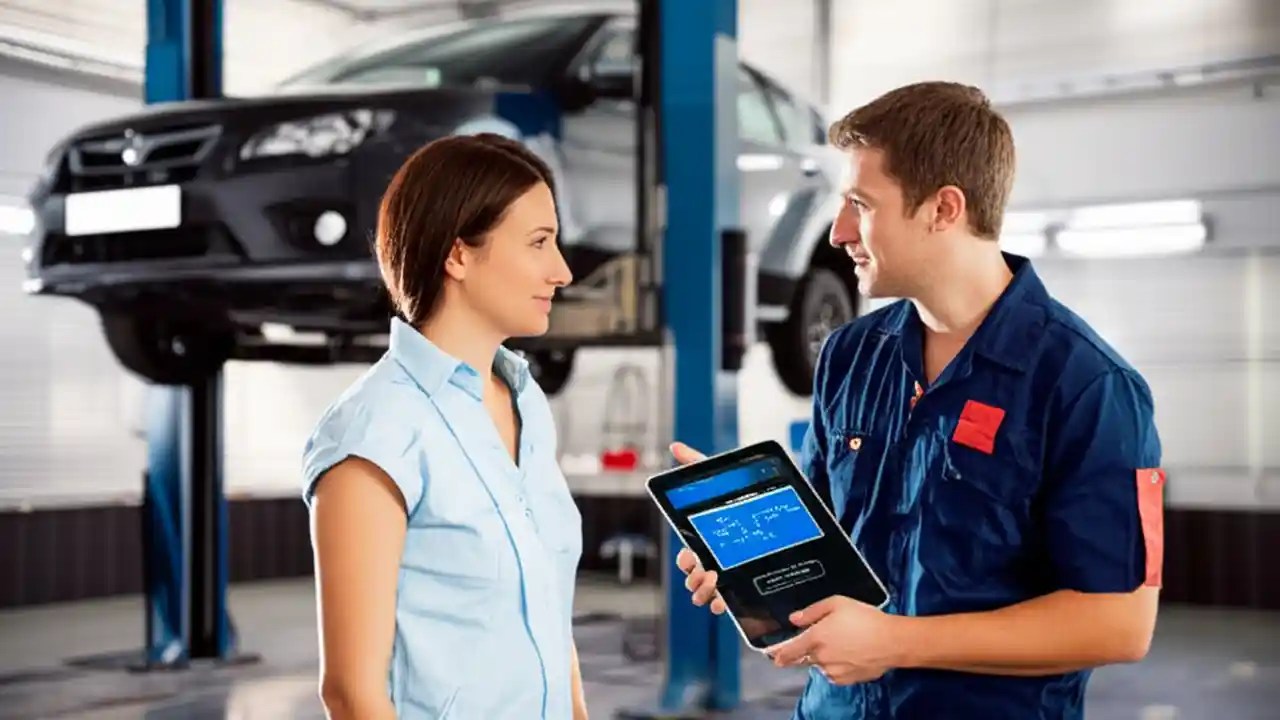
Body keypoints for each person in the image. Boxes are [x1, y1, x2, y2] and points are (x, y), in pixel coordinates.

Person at [675, 81, 1164, 719]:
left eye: (859, 204)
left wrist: (896, 643)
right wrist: (744, 553)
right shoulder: (850, 356)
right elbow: (825, 546)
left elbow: (1120, 623)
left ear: (943, 208)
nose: (838, 232)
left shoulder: (1089, 386)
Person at [300, 133, 588, 720]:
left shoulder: (527, 402)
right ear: (458, 256)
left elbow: (549, 624)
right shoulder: (375, 433)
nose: (561, 271)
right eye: (538, 243)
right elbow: (352, 694)